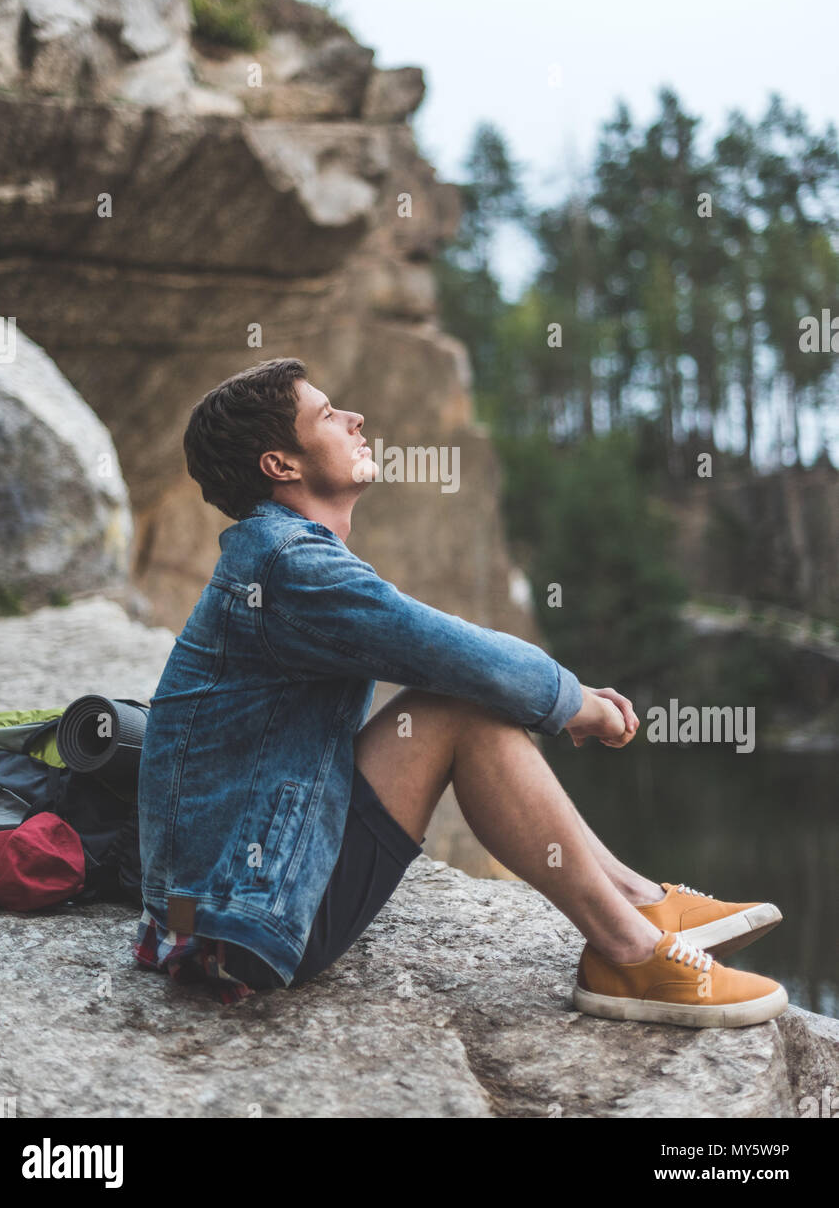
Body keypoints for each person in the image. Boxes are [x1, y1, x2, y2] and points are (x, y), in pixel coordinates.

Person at [134, 358, 787, 1028]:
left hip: (216, 912)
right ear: (281, 464)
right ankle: (627, 951)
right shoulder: (286, 565)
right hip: (231, 928)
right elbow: (447, 650)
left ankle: (637, 902)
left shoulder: (280, 553)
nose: (356, 419)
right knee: (456, 709)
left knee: (453, 703)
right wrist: (575, 703)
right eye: (328, 415)